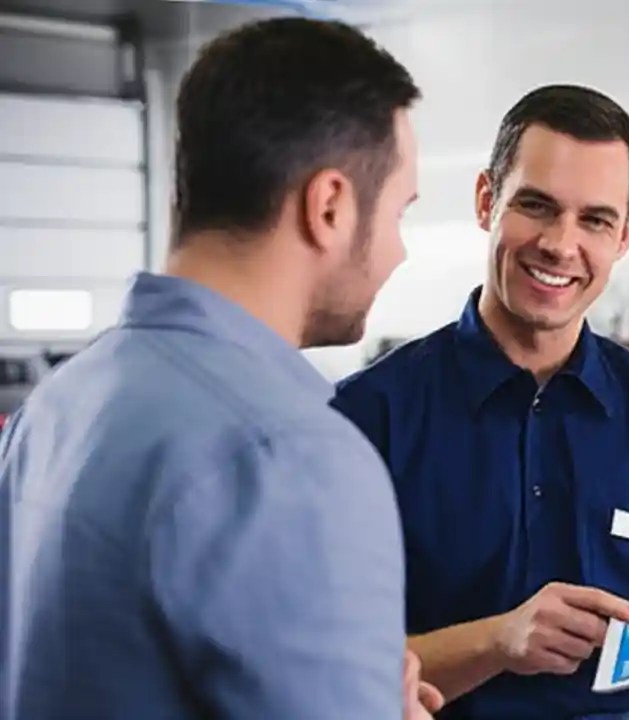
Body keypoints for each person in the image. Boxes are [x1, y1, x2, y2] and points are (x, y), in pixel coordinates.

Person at [331, 84, 629, 720]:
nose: (561, 245)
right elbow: (326, 674)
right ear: (487, 201)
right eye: (536, 206)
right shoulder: (368, 419)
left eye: (595, 219)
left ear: (626, 235)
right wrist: (496, 643)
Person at [0, 17, 442, 720]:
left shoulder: (55, 408)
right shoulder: (293, 456)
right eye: (398, 213)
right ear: (328, 206)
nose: (398, 252)